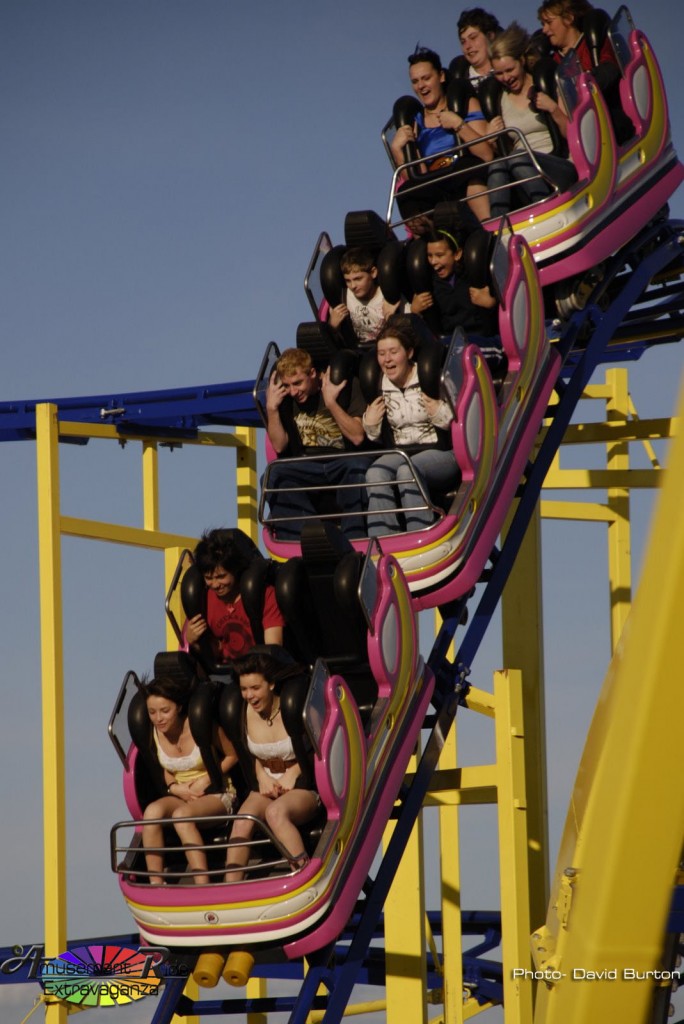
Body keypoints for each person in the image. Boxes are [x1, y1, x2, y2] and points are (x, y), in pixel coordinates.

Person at [224, 651, 320, 881]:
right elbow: (252, 755)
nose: (249, 695)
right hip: (266, 784)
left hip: (302, 786)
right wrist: (261, 776)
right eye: (244, 689)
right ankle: (229, 890)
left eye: (255, 688)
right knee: (242, 821)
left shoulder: (295, 709)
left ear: (272, 684)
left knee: (275, 813)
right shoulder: (242, 713)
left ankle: (303, 875)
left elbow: (321, 749)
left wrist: (295, 772)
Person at [362, 316, 459, 536]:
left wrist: (440, 411)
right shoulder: (378, 385)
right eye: (381, 353)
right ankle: (384, 538)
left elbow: (460, 423)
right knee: (376, 472)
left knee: (408, 470)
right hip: (401, 451)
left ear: (409, 353)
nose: (387, 360)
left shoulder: (433, 377)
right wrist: (370, 423)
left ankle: (420, 532)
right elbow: (374, 437)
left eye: (393, 352)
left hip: (441, 453)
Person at [264, 347, 369, 540]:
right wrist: (271, 409)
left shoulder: (345, 385)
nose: (293, 391)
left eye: (298, 383)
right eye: (287, 386)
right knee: (273, 474)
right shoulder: (287, 399)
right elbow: (279, 446)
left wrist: (331, 403)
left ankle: (354, 538)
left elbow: (357, 437)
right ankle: (307, 539)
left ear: (312, 373)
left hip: (343, 460)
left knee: (357, 466)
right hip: (308, 464)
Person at [141, 676, 238, 885]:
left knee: (182, 816)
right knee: (151, 813)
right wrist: (175, 788)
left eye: (165, 711)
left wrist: (207, 779)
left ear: (179, 707)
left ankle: (202, 883)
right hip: (183, 794)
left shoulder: (200, 725)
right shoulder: (154, 733)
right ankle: (156, 883)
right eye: (152, 712)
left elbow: (233, 755)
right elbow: (165, 769)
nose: (158, 718)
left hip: (215, 792)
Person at [390, 46, 493, 224]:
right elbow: (418, 176)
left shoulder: (463, 104)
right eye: (415, 81)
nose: (421, 86)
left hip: (464, 177)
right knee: (405, 192)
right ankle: (431, 241)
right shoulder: (416, 122)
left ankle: (490, 228)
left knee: (468, 167)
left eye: (426, 78)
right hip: (436, 187)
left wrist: (458, 124)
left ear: (441, 76)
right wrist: (397, 149)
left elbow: (487, 155)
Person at [486, 23, 577, 217]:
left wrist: (553, 109)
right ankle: (498, 227)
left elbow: (573, 135)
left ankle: (546, 210)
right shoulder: (499, 99)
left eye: (510, 70)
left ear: (522, 60)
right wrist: (490, 138)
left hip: (558, 163)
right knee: (497, 165)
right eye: (499, 73)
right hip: (521, 168)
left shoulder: (546, 84)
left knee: (517, 157)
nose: (506, 78)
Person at [537, 0, 634, 143]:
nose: (544, 30)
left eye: (549, 23)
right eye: (543, 25)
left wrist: (581, 84)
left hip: (608, 115)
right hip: (577, 129)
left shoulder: (595, 44)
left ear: (569, 18)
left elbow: (610, 69)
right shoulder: (554, 62)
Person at [185, 528, 285, 663]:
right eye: (209, 578)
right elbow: (216, 651)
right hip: (227, 672)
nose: (215, 584)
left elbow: (273, 648)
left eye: (221, 577)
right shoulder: (204, 601)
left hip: (260, 670)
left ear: (235, 570)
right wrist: (194, 641)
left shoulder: (265, 595)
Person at [410, 226, 499, 338]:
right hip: (451, 341)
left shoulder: (474, 277)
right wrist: (415, 312)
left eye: (439, 255)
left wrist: (491, 303)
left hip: (483, 338)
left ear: (457, 254)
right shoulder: (431, 284)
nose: (433, 261)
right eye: (429, 256)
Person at [328, 247, 400, 347]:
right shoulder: (342, 298)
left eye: (358, 279)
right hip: (356, 352)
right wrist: (332, 326)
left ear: (373, 273)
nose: (353, 286)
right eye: (348, 281)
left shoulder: (388, 296)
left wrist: (393, 319)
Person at [449, 8, 503, 90]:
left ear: (490, 36)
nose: (468, 46)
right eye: (463, 42)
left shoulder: (506, 74)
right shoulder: (459, 83)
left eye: (473, 38)